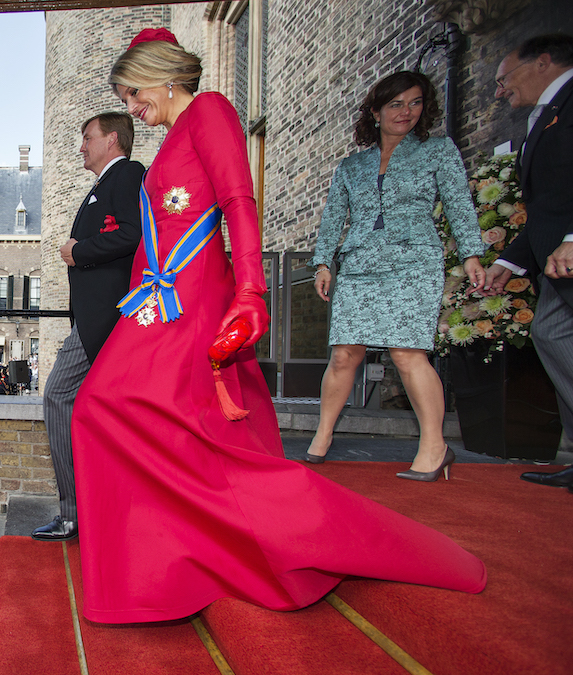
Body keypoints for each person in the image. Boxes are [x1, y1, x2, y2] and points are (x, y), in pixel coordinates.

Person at [68, 28, 487, 625]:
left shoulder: (210, 111)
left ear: (163, 75)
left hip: (198, 297)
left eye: (133, 92)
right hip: (162, 299)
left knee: (105, 407)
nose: (133, 108)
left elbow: (240, 200)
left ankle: (189, 561)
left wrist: (250, 291)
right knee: (154, 426)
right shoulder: (167, 144)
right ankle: (171, 567)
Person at [308, 70, 485, 478]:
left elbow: (459, 204)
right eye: (395, 104)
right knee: (343, 354)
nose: (406, 111)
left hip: (413, 262)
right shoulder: (352, 165)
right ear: (375, 111)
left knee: (407, 354)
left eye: (415, 102)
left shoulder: (438, 150)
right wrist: (323, 262)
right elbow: (334, 217)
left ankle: (434, 447)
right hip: (358, 265)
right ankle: (322, 435)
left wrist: (473, 253)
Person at [33, 111, 144, 542]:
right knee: (96, 411)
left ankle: (74, 514)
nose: (81, 145)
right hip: (95, 320)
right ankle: (96, 511)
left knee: (58, 396)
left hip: (109, 319)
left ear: (112, 140)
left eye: (87, 136)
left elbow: (135, 234)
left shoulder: (129, 174)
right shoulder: (105, 184)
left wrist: (80, 251)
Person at [483, 34, 573, 489]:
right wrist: (512, 261)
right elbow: (548, 204)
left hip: (569, 254)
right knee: (550, 332)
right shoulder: (545, 116)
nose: (500, 91)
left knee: (551, 332)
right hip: (555, 261)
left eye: (504, 79)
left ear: (541, 62)